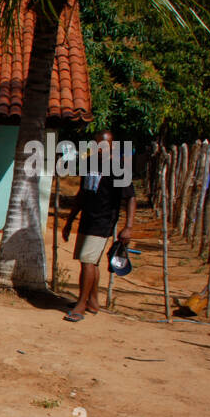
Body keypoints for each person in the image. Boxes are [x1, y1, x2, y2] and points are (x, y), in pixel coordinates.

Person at [61, 131, 136, 321]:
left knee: (87, 260)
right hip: (87, 219)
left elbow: (131, 198)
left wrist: (128, 226)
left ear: (111, 146)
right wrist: (70, 221)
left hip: (103, 221)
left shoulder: (118, 168)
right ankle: (93, 302)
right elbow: (82, 194)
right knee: (89, 261)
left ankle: (81, 305)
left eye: (104, 145)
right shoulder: (89, 164)